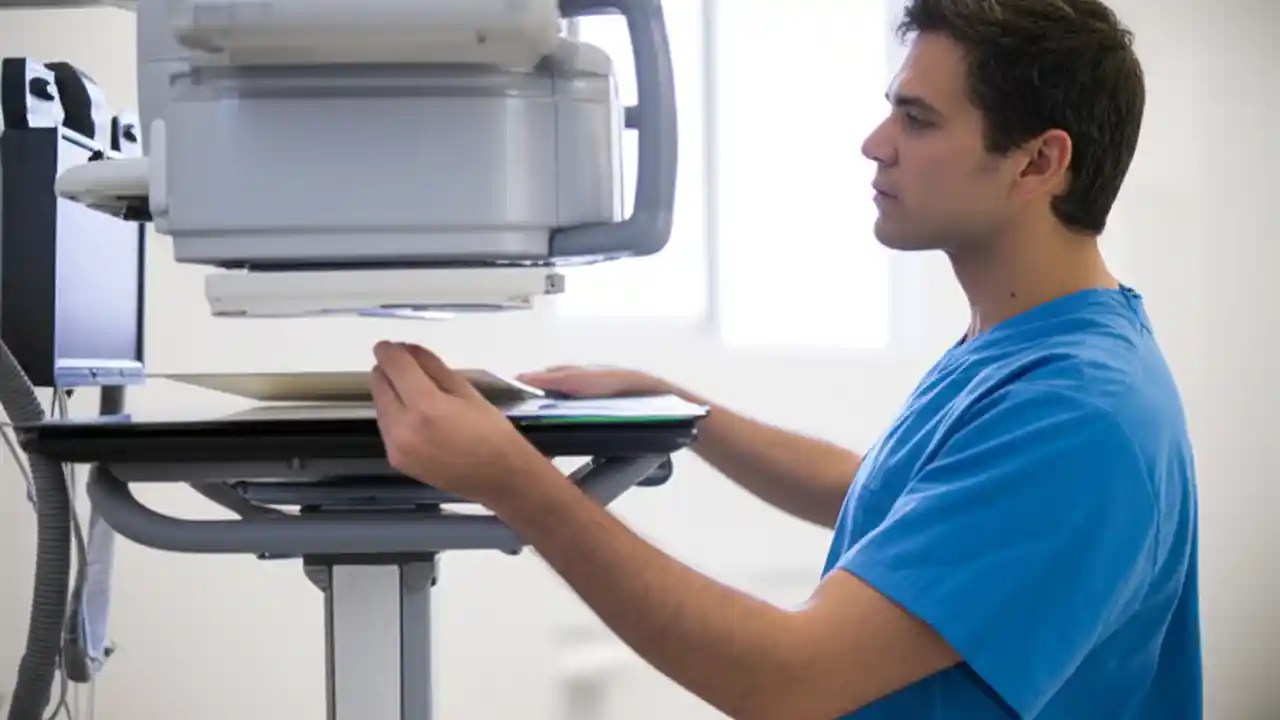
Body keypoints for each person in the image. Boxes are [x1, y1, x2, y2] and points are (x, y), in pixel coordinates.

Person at [367, 0, 1201, 717]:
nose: (876, 144)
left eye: (918, 119)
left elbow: (788, 681)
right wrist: (682, 411)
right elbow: (882, 492)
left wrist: (513, 480)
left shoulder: (1078, 410)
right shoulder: (1016, 342)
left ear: (1038, 162)